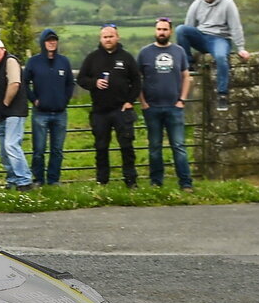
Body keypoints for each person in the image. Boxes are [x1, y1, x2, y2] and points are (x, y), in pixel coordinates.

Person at [77, 25, 142, 188]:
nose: (108, 39)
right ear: (100, 39)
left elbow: (137, 81)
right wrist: (94, 83)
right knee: (101, 147)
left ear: (117, 37)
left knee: (126, 146)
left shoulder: (126, 57)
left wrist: (130, 101)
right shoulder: (92, 58)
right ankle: (102, 180)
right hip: (100, 111)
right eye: (105, 37)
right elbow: (81, 79)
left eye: (111, 36)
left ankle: (130, 180)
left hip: (121, 109)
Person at [175, 0, 251, 111]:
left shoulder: (228, 3)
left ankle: (222, 94)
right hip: (201, 36)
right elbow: (189, 26)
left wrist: (241, 47)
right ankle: (189, 63)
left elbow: (236, 26)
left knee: (221, 57)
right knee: (181, 29)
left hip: (219, 38)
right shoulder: (197, 4)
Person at [138, 17, 194, 192]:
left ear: (170, 31)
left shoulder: (179, 51)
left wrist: (182, 100)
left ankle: (185, 183)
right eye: (159, 29)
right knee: (155, 147)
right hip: (152, 107)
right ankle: (156, 182)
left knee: (179, 146)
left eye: (165, 29)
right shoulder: (144, 53)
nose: (161, 32)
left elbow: (186, 76)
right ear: (155, 31)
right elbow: (136, 79)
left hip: (174, 107)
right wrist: (143, 102)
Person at [23, 28, 74, 186]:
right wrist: (34, 100)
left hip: (60, 113)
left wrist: (64, 100)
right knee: (38, 150)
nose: (52, 43)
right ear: (43, 43)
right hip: (40, 113)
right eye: (48, 40)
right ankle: (38, 179)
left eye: (54, 40)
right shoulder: (34, 62)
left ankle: (54, 180)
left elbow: (70, 83)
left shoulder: (64, 61)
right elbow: (24, 82)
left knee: (57, 150)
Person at [0, 37, 33, 191]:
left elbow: (14, 83)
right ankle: (12, 179)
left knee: (11, 145)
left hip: (13, 110)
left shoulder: (10, 61)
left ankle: (24, 180)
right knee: (4, 150)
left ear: (3, 49)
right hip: (4, 112)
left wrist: (5, 103)